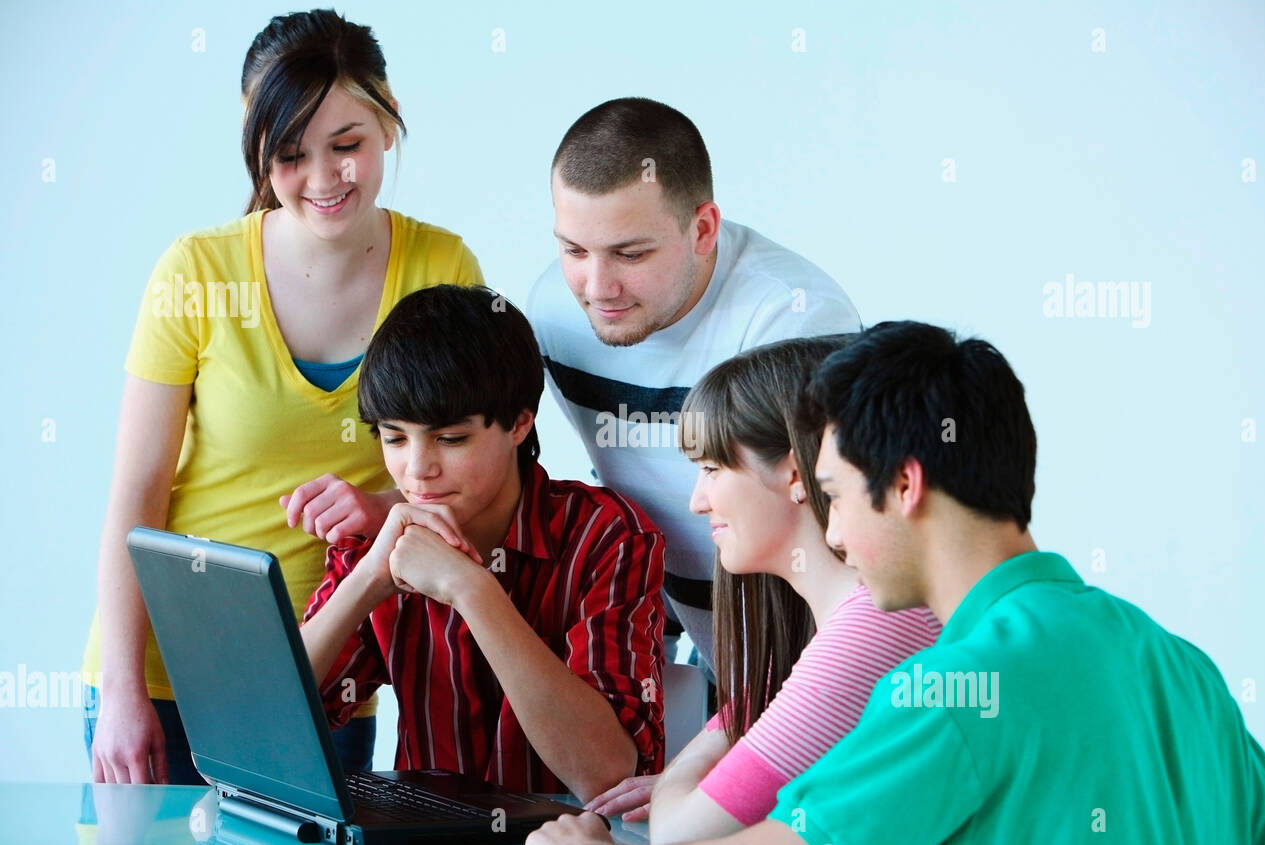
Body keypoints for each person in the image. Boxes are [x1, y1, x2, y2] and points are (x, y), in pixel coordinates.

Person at [524, 321, 1265, 845]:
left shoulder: (944, 689)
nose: (833, 534)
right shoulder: (1173, 661)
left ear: (905, 484)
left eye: (835, 494)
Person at [83, 9, 483, 785]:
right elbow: (135, 494)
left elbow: (480, 472)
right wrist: (121, 691)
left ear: (388, 122)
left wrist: (380, 513)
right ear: (258, 152)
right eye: (290, 155)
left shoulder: (446, 268)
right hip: (164, 675)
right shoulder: (196, 272)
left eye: (348, 145)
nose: (326, 179)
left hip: (323, 682)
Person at [526, 97, 862, 675]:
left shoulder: (792, 320)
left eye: (630, 253)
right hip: (682, 637)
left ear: (703, 228)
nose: (598, 287)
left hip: (810, 645)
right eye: (574, 250)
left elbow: (835, 534)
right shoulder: (554, 313)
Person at [298, 285, 666, 800]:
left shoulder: (607, 535)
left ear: (520, 422)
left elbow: (606, 774)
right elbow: (268, 725)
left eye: (451, 439)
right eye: (394, 437)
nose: (418, 470)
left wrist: (472, 590)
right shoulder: (379, 543)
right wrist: (367, 580)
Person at [583, 336, 940, 843]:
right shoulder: (827, 627)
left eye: (711, 470)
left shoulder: (875, 627)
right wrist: (688, 785)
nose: (696, 502)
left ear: (796, 474)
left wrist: (676, 789)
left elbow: (681, 832)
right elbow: (728, 742)